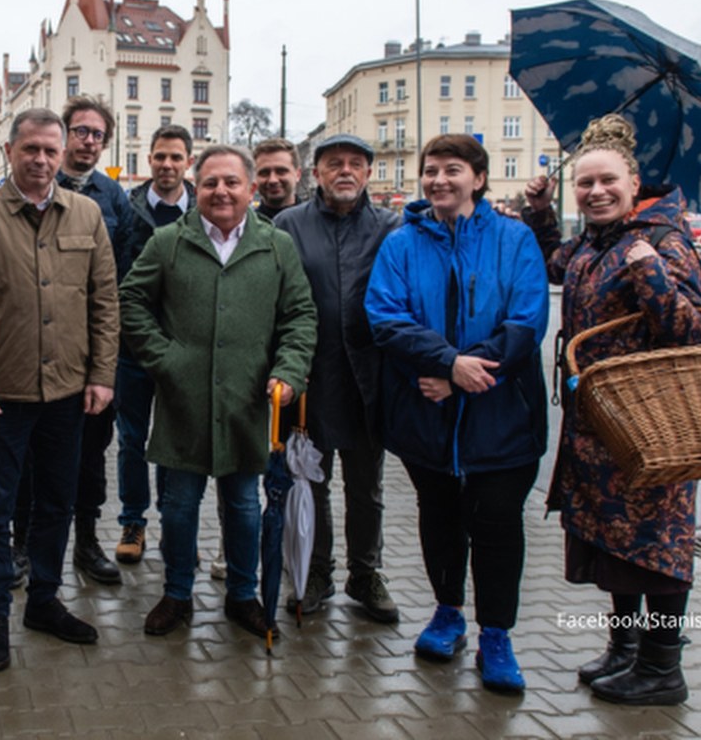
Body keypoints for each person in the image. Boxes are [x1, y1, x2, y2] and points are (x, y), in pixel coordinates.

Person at [523, 114, 701, 706]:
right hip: (599, 425)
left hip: (654, 423)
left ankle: (662, 669)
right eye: (585, 183)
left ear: (633, 184)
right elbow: (556, 262)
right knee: (615, 540)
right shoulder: (595, 243)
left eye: (607, 182)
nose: (596, 192)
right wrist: (542, 211)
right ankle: (624, 650)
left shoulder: (662, 241)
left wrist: (647, 270)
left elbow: (689, 328)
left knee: (658, 542)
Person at [365, 134, 549, 692]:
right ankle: (448, 613)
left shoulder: (514, 239)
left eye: (452, 170)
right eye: (430, 170)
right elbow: (385, 317)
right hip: (427, 418)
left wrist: (464, 376)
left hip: (502, 420)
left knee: (496, 527)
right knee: (439, 519)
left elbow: (526, 323)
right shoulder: (401, 244)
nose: (439, 180)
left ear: (479, 178)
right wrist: (447, 364)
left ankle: (497, 634)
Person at [0, 108, 120, 672]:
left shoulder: (87, 214)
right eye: (30, 149)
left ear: (62, 155)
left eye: (50, 150)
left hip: (68, 394)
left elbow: (105, 302)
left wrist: (102, 375)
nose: (41, 160)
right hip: (1, 397)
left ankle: (43, 600)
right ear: (12, 152)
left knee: (57, 504)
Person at [120, 144, 316, 638]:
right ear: (195, 187)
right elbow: (131, 302)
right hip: (183, 403)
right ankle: (177, 593)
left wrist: (289, 370)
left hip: (248, 401)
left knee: (245, 508)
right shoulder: (168, 241)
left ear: (251, 190)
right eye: (210, 182)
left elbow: (300, 316)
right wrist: (166, 358)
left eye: (232, 182)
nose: (221, 191)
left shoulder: (276, 246)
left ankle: (243, 596)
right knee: (179, 508)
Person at [274, 134, 402, 624]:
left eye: (355, 164)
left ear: (369, 173)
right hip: (310, 377)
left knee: (366, 487)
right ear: (316, 173)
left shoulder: (392, 228)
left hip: (369, 379)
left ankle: (365, 573)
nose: (344, 171)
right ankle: (315, 572)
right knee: (310, 482)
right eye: (333, 164)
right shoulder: (288, 225)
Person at [10, 95, 132, 587]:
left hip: (91, 355)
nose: (88, 141)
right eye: (79, 131)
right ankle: (21, 546)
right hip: (34, 351)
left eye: (97, 134)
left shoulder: (114, 196)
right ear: (63, 137)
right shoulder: (36, 182)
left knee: (91, 456)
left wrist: (107, 357)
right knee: (28, 458)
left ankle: (86, 541)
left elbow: (120, 279)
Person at [114, 124, 196, 566]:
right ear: (149, 159)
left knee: (173, 440)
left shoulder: (205, 210)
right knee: (131, 441)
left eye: (176, 157)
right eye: (160, 156)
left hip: (183, 352)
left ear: (189, 161)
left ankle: (173, 524)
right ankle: (132, 521)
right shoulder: (128, 210)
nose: (167, 165)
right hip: (130, 352)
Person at [253, 137, 303, 221]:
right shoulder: (244, 228)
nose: (273, 180)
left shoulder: (317, 222)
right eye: (265, 173)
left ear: (298, 174)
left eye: (281, 171)